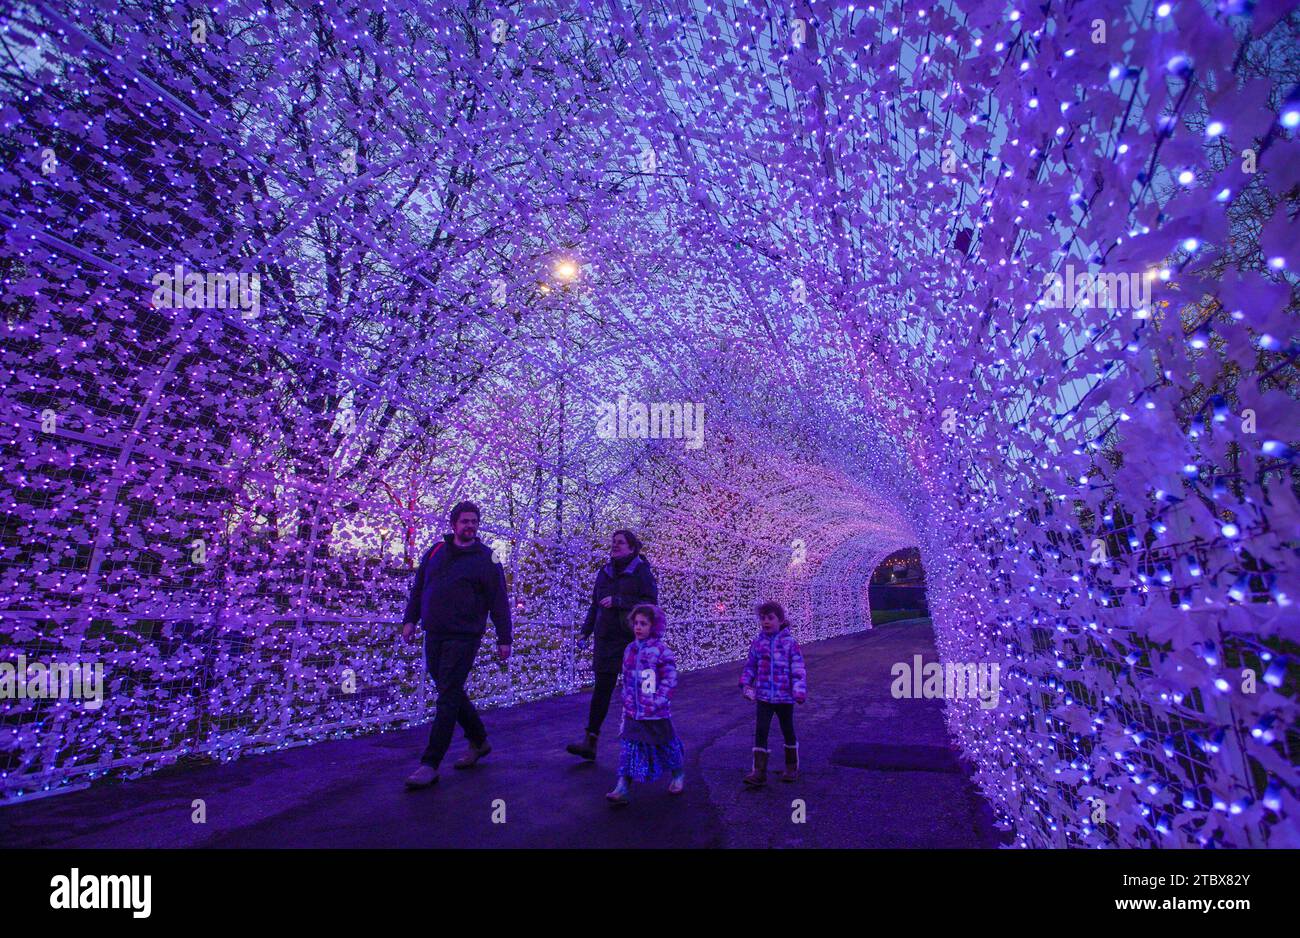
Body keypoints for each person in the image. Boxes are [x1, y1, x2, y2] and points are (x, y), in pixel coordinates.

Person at [400, 501, 512, 789]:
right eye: (465, 521)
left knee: (447, 694)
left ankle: (430, 763)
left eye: (474, 521)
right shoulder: (436, 552)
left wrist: (504, 637)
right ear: (454, 524)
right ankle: (479, 739)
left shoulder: (488, 558)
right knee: (449, 690)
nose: (470, 525)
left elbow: (498, 600)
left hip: (465, 636)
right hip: (434, 632)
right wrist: (410, 619)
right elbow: (419, 587)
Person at [565, 530, 658, 761]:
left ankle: (645, 742)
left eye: (620, 542)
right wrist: (586, 631)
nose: (615, 545)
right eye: (613, 542)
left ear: (632, 548)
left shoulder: (641, 571)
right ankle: (590, 740)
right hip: (605, 638)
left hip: (631, 640)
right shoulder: (604, 572)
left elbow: (650, 603)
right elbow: (595, 604)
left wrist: (619, 602)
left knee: (636, 692)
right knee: (602, 690)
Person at [606, 603, 684, 806]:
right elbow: (626, 677)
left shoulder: (661, 651)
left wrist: (658, 701)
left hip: (656, 713)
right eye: (636, 623)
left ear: (654, 626)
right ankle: (623, 786)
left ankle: (677, 773)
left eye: (644, 623)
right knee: (628, 748)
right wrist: (626, 699)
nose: (638, 627)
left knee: (666, 744)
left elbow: (669, 680)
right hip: (633, 711)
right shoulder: (629, 650)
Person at [739, 601, 807, 787]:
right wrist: (746, 682)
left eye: (770, 618)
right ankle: (759, 771)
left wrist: (799, 690)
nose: (766, 622)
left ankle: (791, 766)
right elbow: (751, 665)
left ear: (781, 620)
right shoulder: (758, 643)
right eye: (763, 618)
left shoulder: (790, 643)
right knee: (761, 731)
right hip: (764, 697)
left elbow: (798, 668)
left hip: (785, 697)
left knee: (787, 730)